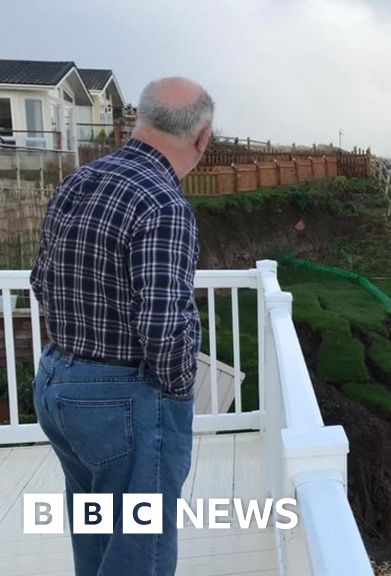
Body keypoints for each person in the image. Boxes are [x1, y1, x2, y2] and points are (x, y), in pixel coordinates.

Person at [30, 77, 214, 576]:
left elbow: (41, 280)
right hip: (123, 404)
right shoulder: (163, 203)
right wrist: (178, 393)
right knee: (138, 555)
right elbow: (162, 325)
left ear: (139, 119)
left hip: (57, 386)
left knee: (96, 540)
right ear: (202, 138)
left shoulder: (80, 180)